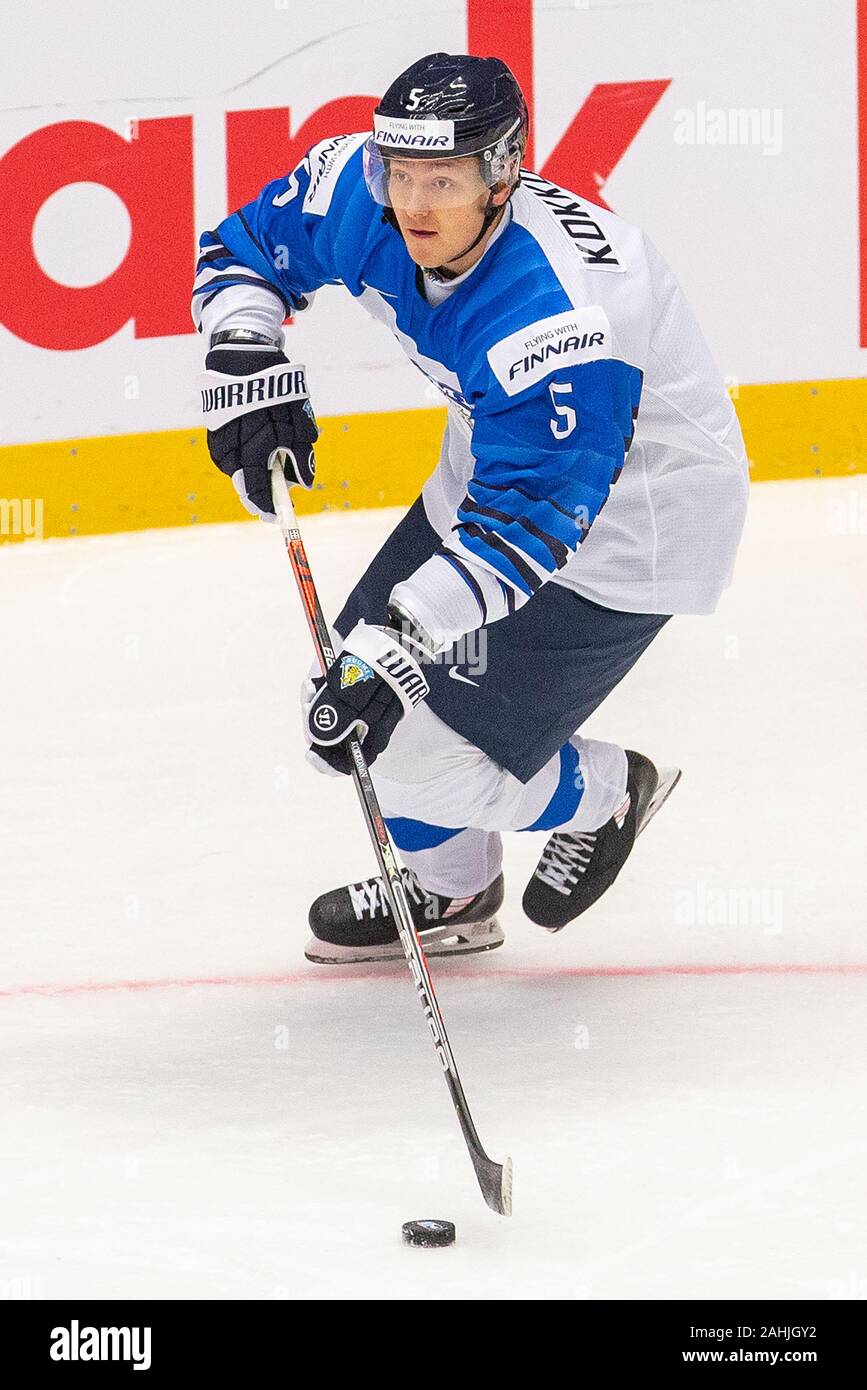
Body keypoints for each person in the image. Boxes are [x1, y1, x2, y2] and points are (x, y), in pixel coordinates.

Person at [192, 52, 748, 964]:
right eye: (398, 172)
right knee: (346, 702)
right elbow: (247, 246)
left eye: (440, 179)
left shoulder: (563, 319)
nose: (411, 204)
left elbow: (529, 526)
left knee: (398, 743)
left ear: (502, 175)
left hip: (623, 533)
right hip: (489, 481)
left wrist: (402, 641)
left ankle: (606, 790)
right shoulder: (360, 191)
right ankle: (452, 895)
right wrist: (245, 351)